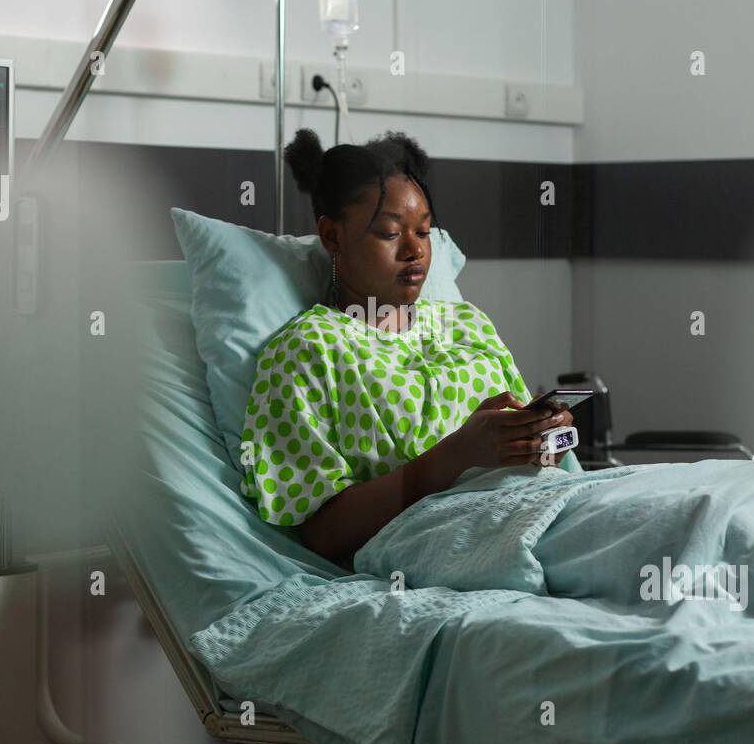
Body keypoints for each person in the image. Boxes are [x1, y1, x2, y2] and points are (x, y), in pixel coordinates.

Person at [240, 128, 572, 565]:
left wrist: (543, 436)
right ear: (332, 237)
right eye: (390, 233)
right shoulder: (307, 350)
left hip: (547, 506)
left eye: (424, 231)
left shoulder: (467, 323)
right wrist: (455, 455)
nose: (415, 251)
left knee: (686, 506)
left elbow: (528, 442)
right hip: (455, 541)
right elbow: (323, 532)